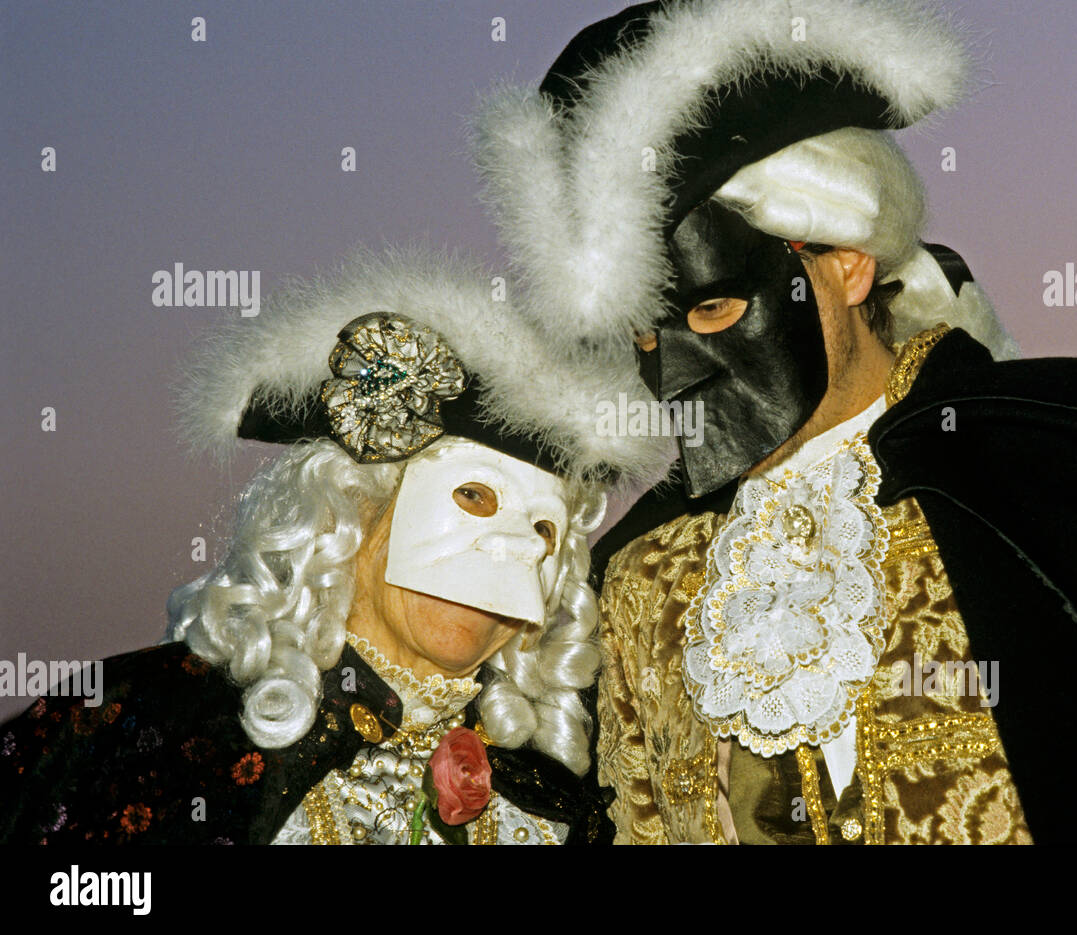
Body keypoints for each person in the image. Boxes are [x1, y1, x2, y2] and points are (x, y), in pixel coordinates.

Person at [473, 0, 1077, 843]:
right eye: (643, 335)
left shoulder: (1055, 471)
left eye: (714, 307)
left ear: (849, 262)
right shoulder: (641, 579)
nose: (669, 369)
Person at [0, 247, 629, 845]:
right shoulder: (143, 727)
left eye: (546, 532)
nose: (516, 546)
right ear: (354, 504)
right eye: (473, 497)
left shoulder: (550, 811)